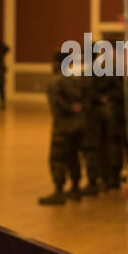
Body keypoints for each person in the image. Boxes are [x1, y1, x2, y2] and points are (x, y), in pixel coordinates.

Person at [39, 51, 84, 204]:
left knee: (58, 158)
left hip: (63, 126)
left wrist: (69, 109)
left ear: (58, 63)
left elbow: (58, 105)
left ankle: (59, 191)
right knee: (74, 157)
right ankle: (76, 189)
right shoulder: (75, 80)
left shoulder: (54, 82)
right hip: (78, 125)